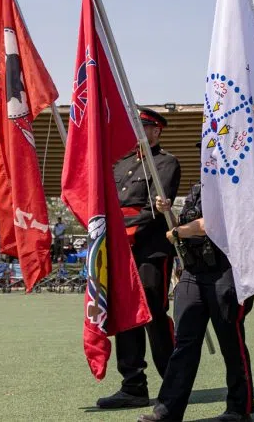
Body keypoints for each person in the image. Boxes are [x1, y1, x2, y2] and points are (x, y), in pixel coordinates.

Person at [136, 186, 254, 422]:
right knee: (184, 344)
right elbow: (183, 224)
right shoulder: (197, 190)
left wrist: (179, 231)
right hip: (193, 271)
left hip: (226, 270)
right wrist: (168, 212)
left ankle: (239, 410)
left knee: (231, 342)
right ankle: (167, 410)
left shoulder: (236, 181)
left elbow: (213, 224)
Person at [97, 107, 181, 411]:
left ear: (156, 131)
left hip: (150, 249)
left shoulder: (167, 163)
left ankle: (174, 382)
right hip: (121, 248)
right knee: (125, 315)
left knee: (153, 313)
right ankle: (133, 386)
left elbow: (154, 209)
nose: (136, 131)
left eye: (142, 127)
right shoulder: (119, 165)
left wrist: (123, 229)